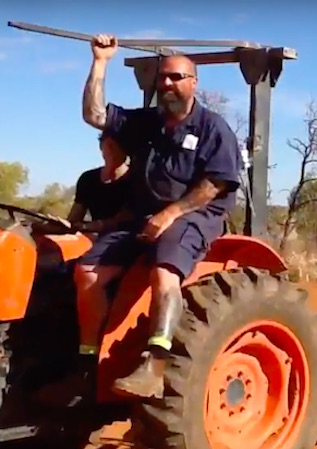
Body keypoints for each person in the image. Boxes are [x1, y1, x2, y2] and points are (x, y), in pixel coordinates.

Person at [40, 34, 243, 404]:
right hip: (141, 216)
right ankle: (87, 363)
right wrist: (101, 61)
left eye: (176, 77)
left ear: (193, 82)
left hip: (194, 215)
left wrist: (170, 213)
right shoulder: (147, 122)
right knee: (86, 273)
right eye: (162, 77)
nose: (167, 83)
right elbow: (94, 115)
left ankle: (156, 362)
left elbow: (214, 184)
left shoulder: (213, 129)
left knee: (164, 271)